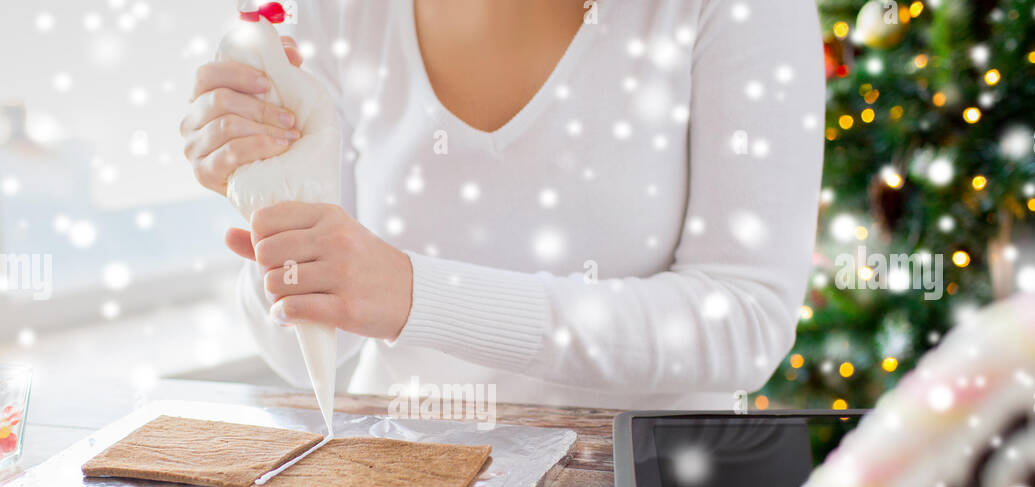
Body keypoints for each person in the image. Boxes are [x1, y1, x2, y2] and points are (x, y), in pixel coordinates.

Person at [180, 0, 824, 410]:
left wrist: (417, 295)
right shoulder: (335, 12)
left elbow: (747, 319)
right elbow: (303, 357)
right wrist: (268, 191)